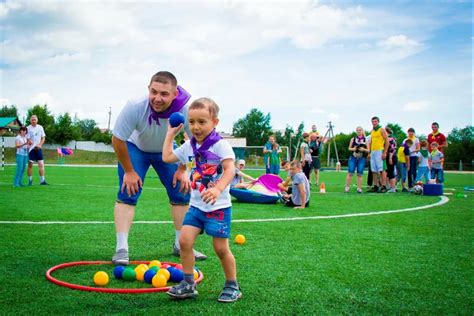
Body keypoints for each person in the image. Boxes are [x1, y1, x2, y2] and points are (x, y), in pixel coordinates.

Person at [111, 71, 206, 266]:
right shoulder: (135, 106)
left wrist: (183, 168)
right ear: (148, 89)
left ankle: (182, 245)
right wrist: (129, 171)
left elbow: (197, 141)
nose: (157, 98)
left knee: (181, 191)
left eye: (164, 94)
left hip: (166, 152)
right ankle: (121, 248)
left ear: (174, 94)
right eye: (153, 92)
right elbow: (118, 138)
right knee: (128, 192)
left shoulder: (186, 111)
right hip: (135, 148)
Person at [163, 97, 241, 303]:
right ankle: (188, 284)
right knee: (185, 241)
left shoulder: (221, 145)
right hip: (196, 207)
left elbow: (230, 169)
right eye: (192, 122)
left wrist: (217, 189)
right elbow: (167, 157)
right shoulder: (189, 146)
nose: (195, 127)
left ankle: (232, 285)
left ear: (215, 122)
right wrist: (170, 134)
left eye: (202, 122)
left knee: (221, 249)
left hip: (219, 208)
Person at [367, 117, 389, 193]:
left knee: (382, 169)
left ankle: (383, 186)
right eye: (373, 121)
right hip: (373, 151)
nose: (374, 123)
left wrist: (385, 152)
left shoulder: (382, 129)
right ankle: (375, 186)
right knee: (374, 170)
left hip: (380, 150)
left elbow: (387, 141)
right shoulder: (372, 131)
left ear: (378, 122)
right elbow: (370, 142)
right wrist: (369, 152)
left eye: (375, 121)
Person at [344, 127, 368, 193]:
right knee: (350, 172)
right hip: (353, 157)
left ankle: (359, 188)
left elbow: (368, 150)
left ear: (362, 131)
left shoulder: (365, 140)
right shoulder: (353, 139)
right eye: (357, 130)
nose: (359, 131)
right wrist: (353, 149)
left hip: (361, 158)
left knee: (360, 173)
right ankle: (347, 187)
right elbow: (349, 148)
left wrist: (363, 149)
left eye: (360, 130)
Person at [26, 115, 48, 185]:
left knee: (41, 164)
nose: (33, 121)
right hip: (31, 149)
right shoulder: (28, 128)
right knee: (30, 165)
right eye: (32, 120)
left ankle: (42, 181)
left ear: (37, 120)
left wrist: (40, 145)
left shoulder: (40, 127)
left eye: (35, 119)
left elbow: (43, 137)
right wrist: (30, 141)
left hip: (38, 149)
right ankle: (30, 181)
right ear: (30, 120)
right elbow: (27, 138)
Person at [384, 127, 398, 193]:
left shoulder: (391, 139)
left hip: (391, 157)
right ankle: (390, 186)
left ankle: (393, 188)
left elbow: (392, 149)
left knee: (391, 172)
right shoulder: (388, 138)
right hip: (387, 157)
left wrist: (390, 158)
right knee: (388, 172)